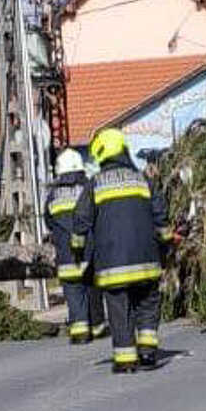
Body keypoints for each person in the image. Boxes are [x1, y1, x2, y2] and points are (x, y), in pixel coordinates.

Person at [73, 126, 173, 373]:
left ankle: (126, 359)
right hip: (146, 260)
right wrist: (166, 246)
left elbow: (80, 222)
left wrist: (78, 251)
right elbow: (161, 216)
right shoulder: (143, 180)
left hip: (112, 265)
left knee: (119, 311)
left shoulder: (95, 184)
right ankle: (148, 351)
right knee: (147, 305)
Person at [43, 147, 98, 345]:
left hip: (66, 255)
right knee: (92, 289)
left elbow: (48, 222)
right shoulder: (88, 189)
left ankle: (80, 330)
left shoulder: (54, 195)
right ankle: (96, 325)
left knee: (74, 293)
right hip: (90, 252)